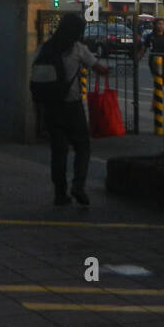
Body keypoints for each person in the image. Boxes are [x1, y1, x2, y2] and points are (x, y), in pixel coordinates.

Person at [32, 13, 109, 206]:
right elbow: (98, 68)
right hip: (72, 106)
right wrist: (105, 69)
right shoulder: (76, 49)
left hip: (50, 107)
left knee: (58, 151)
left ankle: (60, 193)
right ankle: (78, 185)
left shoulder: (45, 48)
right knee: (82, 146)